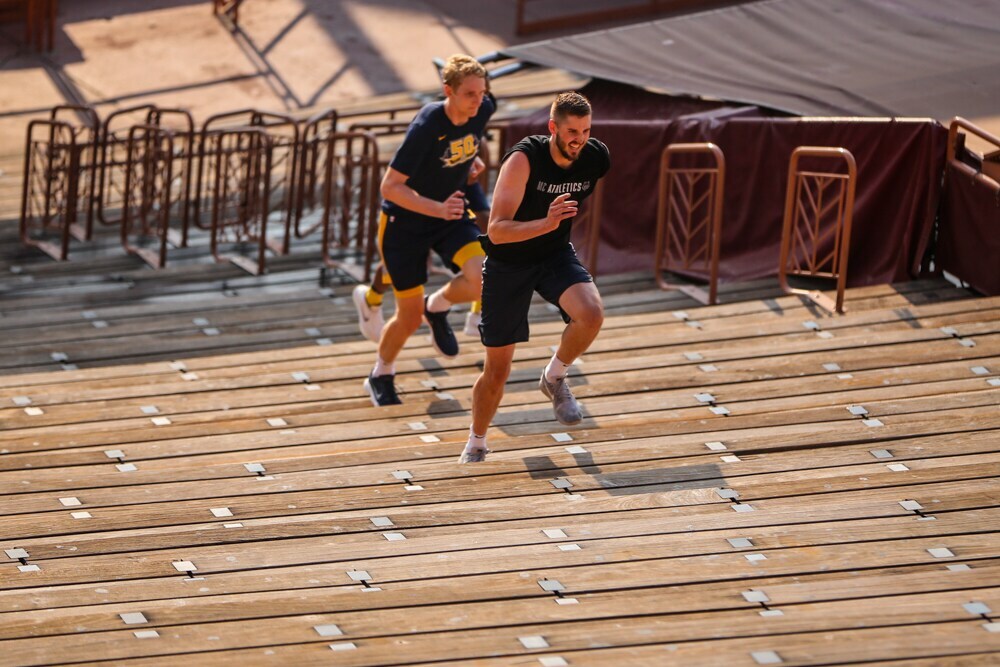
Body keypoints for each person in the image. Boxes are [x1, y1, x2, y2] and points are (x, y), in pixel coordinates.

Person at [459, 92, 610, 463]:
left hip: (553, 253)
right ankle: (476, 441)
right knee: (497, 370)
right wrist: (547, 221)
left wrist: (552, 230)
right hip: (508, 262)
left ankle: (555, 376)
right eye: (572, 131)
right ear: (552, 128)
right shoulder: (524, 160)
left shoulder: (595, 158)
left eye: (586, 130)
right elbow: (496, 231)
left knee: (591, 313)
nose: (580, 139)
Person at [361, 54, 495, 407]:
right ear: (447, 91)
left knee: (485, 275)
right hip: (404, 224)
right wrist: (436, 206)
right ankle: (381, 373)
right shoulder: (427, 124)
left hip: (448, 214)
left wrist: (470, 159)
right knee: (407, 317)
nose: (478, 100)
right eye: (469, 94)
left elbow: (469, 139)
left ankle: (438, 306)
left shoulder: (483, 109)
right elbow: (389, 187)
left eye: (482, 92)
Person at [353, 173, 490, 342]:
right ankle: (371, 298)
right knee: (402, 263)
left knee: (487, 224)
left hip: (456, 184)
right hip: (420, 193)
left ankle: (478, 312)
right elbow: (392, 182)